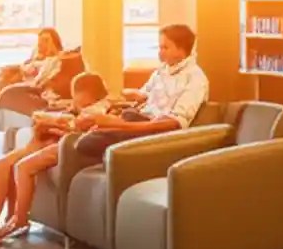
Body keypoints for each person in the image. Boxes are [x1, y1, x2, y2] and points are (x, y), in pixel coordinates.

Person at [0, 72, 111, 249]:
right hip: (50, 140)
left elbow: (84, 128)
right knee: (2, 165)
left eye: (79, 96)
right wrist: (54, 122)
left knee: (21, 166)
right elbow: (63, 118)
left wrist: (62, 124)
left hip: (66, 144)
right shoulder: (78, 108)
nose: (76, 100)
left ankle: (19, 219)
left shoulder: (102, 109)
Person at [74, 24, 208, 159]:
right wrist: (134, 97)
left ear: (181, 49)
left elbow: (173, 123)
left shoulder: (195, 78)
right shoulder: (161, 72)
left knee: (88, 141)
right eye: (160, 47)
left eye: (165, 48)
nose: (160, 53)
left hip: (157, 134)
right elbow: (144, 95)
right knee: (89, 126)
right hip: (138, 117)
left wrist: (119, 125)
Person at [0, 28, 65, 109]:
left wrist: (48, 54)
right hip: (24, 75)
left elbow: (43, 77)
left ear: (54, 42)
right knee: (3, 73)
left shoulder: (56, 59)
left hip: (30, 82)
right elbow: (27, 64)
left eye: (46, 40)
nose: (41, 43)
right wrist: (31, 62)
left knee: (4, 77)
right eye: (40, 40)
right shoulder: (37, 54)